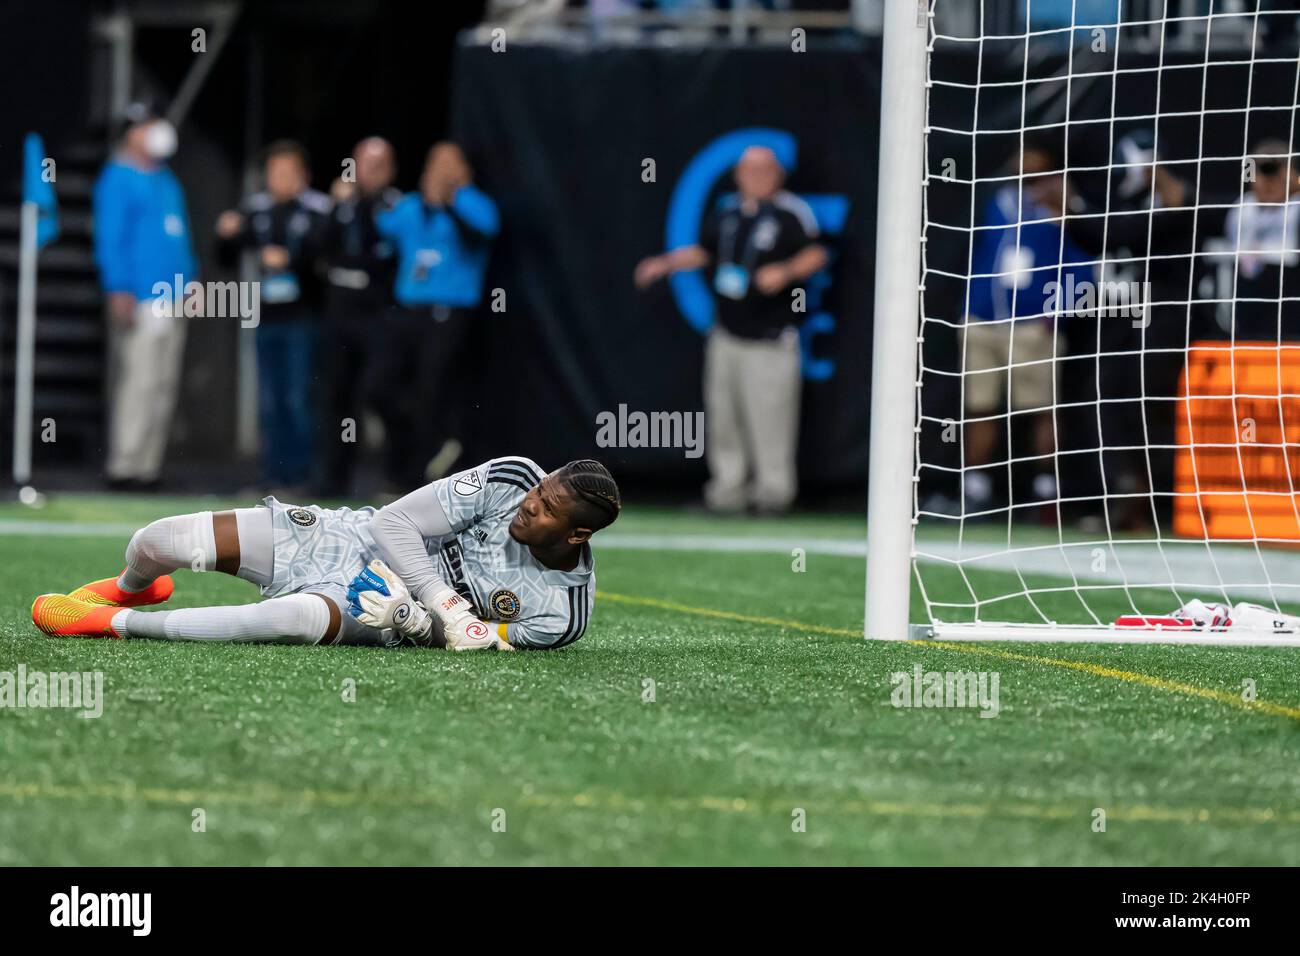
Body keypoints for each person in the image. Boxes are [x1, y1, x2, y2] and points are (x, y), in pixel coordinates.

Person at [31, 457, 621, 651]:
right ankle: (134, 585)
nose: (529, 505)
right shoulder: (512, 479)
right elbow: (393, 522)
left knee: (291, 620)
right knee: (157, 540)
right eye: (539, 492)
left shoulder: (563, 616)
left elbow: (478, 641)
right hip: (352, 537)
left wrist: (418, 621)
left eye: (546, 510)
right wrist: (441, 599)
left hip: (382, 609)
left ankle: (116, 622)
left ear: (577, 537)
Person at [634, 145, 827, 515]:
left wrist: (785, 271)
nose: (756, 177)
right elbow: (706, 251)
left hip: (770, 337)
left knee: (770, 420)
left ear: (778, 175)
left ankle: (773, 496)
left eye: (764, 170)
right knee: (725, 417)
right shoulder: (728, 211)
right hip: (726, 333)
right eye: (749, 170)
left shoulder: (791, 212)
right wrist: (665, 263)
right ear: (738, 175)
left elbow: (816, 253)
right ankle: (727, 493)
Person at [960, 137, 1095, 516]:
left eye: (1034, 174)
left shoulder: (1064, 210)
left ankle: (1046, 489)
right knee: (981, 406)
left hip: (1033, 326)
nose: (1026, 181)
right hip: (984, 321)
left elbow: (1084, 270)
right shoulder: (998, 203)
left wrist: (1055, 316)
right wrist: (969, 308)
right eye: (1021, 174)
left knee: (1041, 409)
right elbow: (979, 254)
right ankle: (975, 488)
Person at [374, 142, 499, 489]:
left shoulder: (475, 203)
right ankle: (433, 439)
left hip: (450, 311)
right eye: (435, 162)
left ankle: (416, 475)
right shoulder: (411, 205)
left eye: (449, 163)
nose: (441, 170)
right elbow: (377, 232)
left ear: (465, 170)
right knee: (380, 387)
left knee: (433, 390)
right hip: (407, 310)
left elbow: (480, 237)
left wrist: (449, 202)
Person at [92, 102, 197, 491]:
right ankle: (125, 464)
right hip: (141, 294)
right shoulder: (117, 178)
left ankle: (148, 466)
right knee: (139, 379)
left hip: (171, 294)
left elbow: (179, 234)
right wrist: (118, 287)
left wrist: (190, 280)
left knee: (164, 382)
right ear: (132, 132)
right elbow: (111, 239)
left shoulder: (166, 179)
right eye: (148, 125)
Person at [215, 140, 332, 492]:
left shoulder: (318, 211)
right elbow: (225, 255)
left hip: (304, 317)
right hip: (266, 316)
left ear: (303, 176)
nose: (279, 179)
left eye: (286, 172)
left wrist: (293, 262)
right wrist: (225, 234)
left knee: (298, 398)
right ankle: (274, 475)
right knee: (269, 401)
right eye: (274, 173)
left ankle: (303, 475)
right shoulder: (256, 210)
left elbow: (326, 261)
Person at [318, 136, 401, 495]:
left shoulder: (396, 207)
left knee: (378, 391)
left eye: (378, 165)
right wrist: (340, 206)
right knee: (337, 395)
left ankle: (397, 471)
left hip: (378, 309)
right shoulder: (340, 205)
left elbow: (390, 249)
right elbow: (318, 247)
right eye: (363, 163)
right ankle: (335, 479)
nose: (369, 172)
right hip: (340, 308)